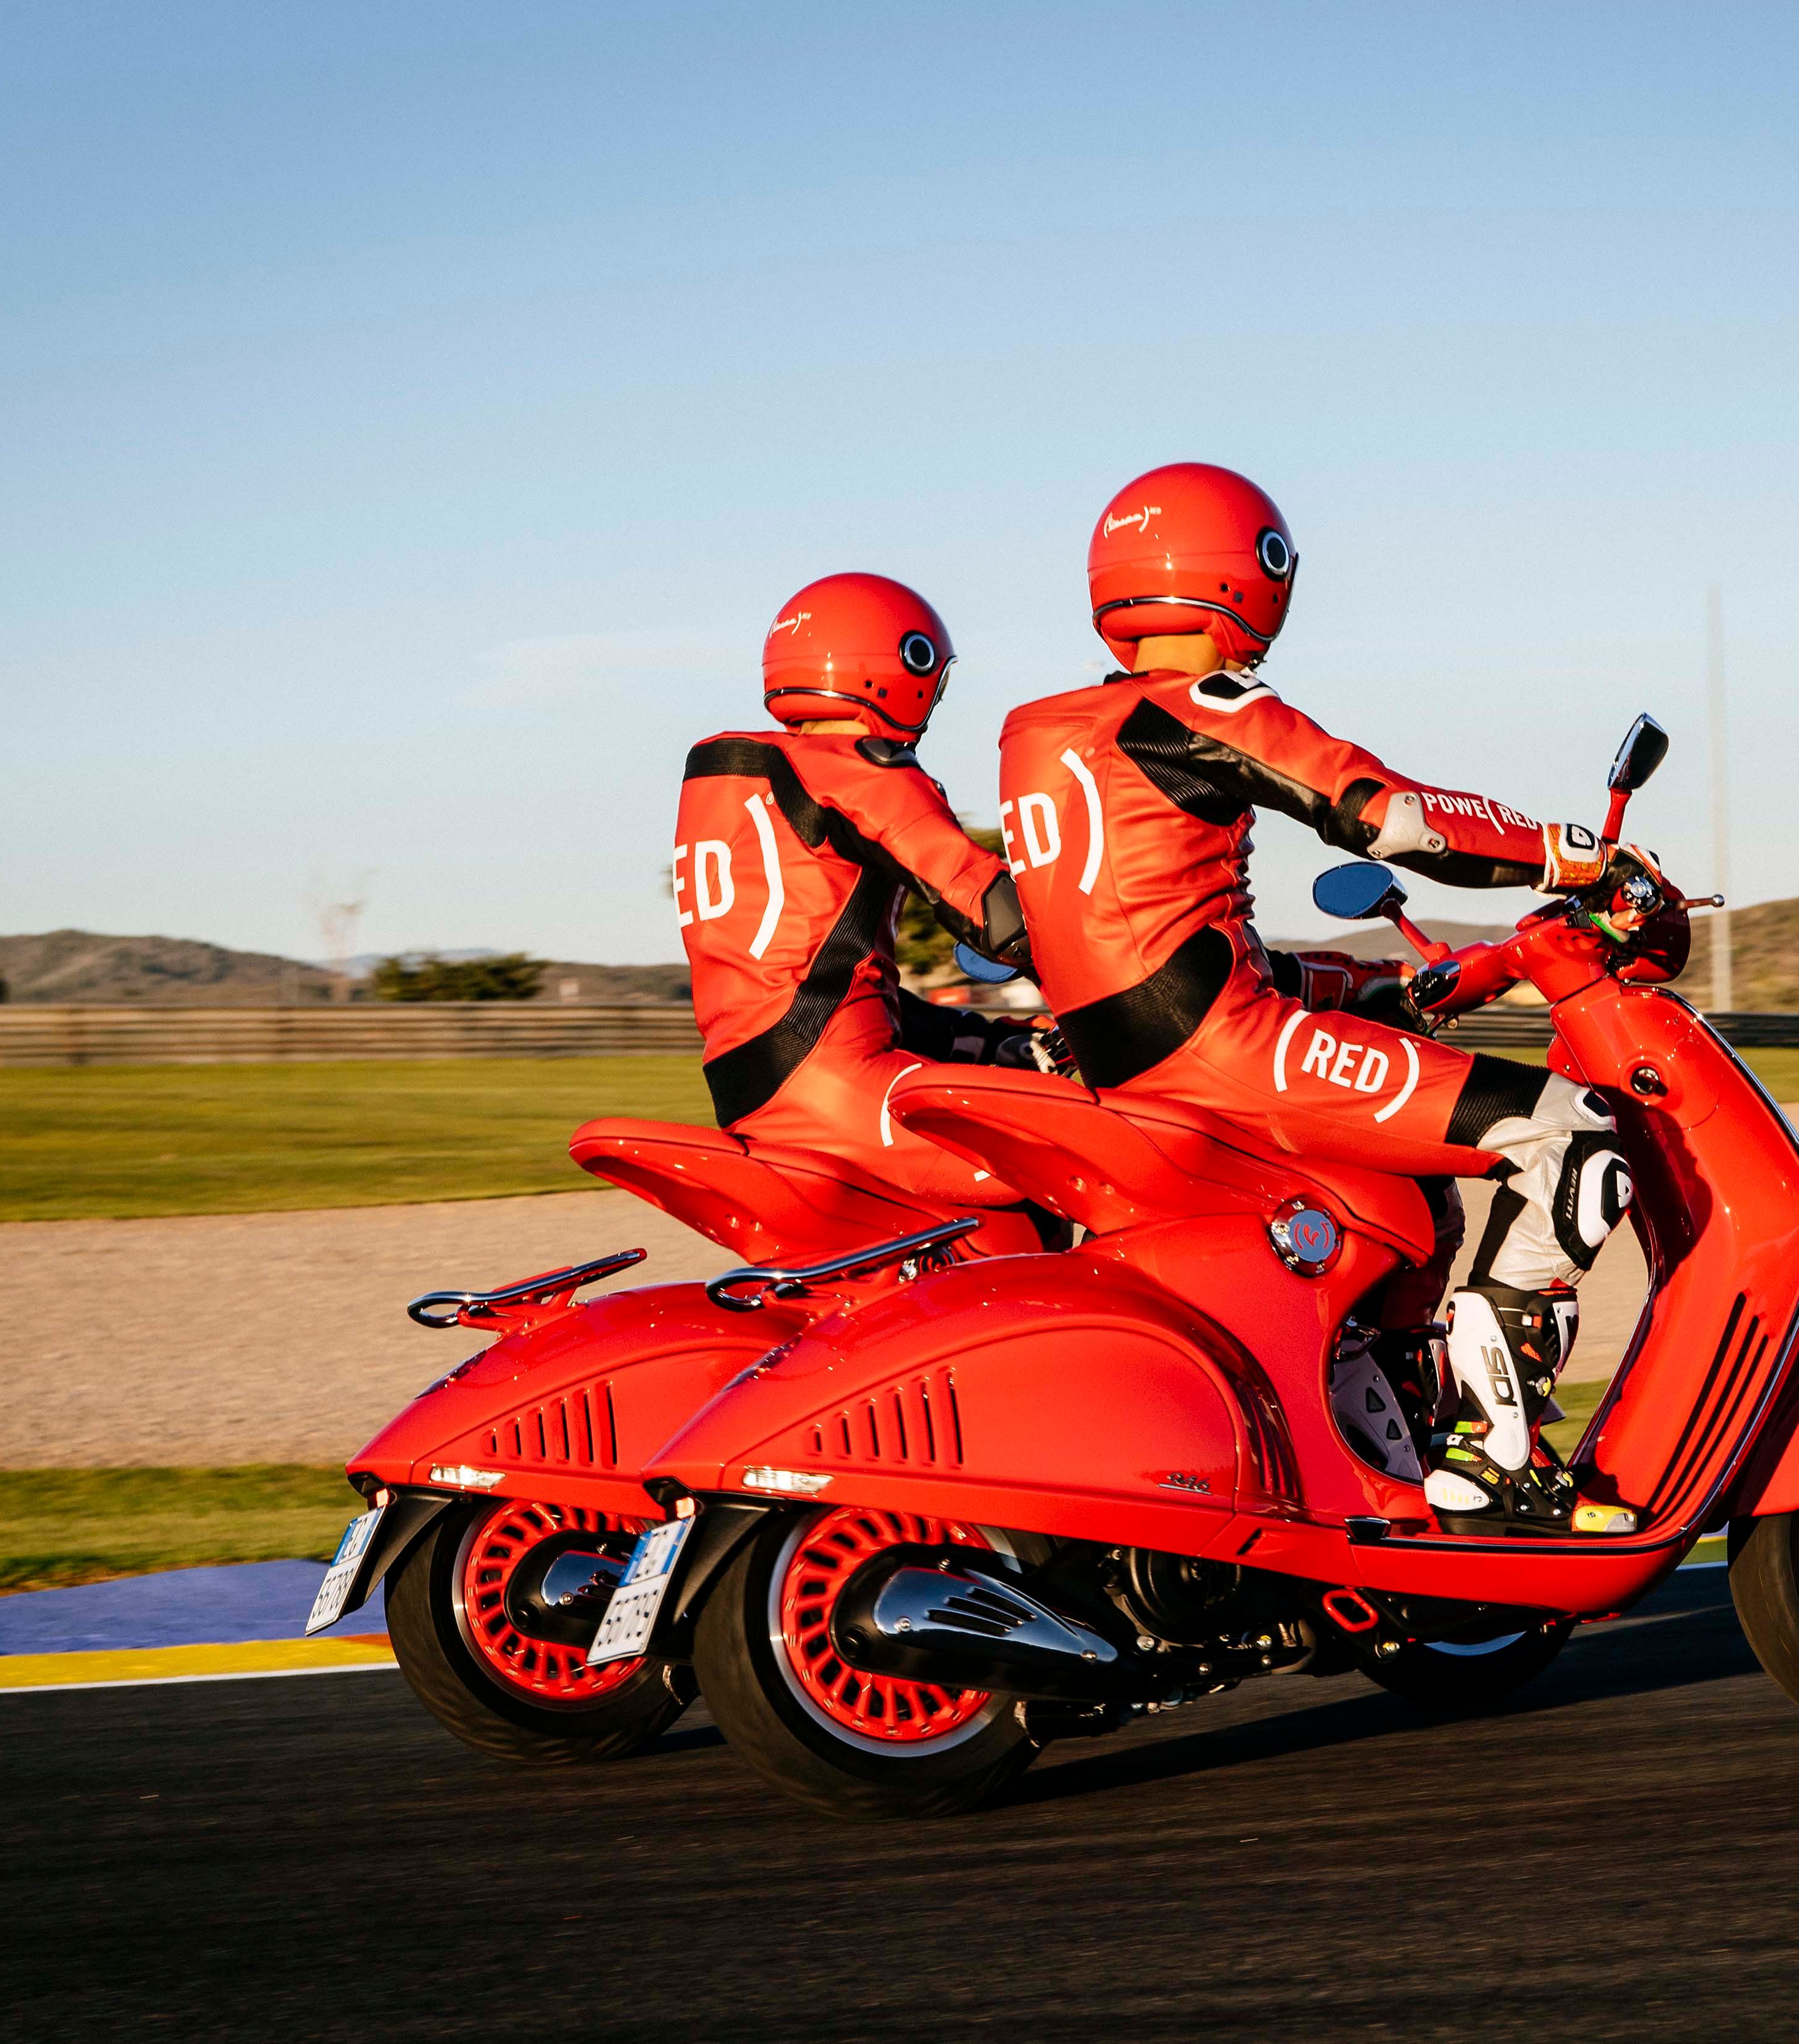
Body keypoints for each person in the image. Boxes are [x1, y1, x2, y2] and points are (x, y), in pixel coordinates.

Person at [998, 463, 1651, 1537]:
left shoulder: (1040, 729)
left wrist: (1375, 987)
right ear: (1248, 574)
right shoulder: (1197, 706)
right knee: (1574, 1137)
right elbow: (1393, 817)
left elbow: (1150, 932)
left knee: (1415, 1195)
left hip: (1136, 1066)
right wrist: (1576, 858)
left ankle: (1376, 1435)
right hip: (1222, 1050)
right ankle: (1493, 1458)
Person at [675, 572, 1045, 1217]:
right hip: (834, 1089)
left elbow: (824, 986)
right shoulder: (856, 768)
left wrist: (992, 1042)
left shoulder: (733, 780)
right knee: (1064, 1161)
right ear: (905, 663)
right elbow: (998, 918)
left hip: (758, 1086)